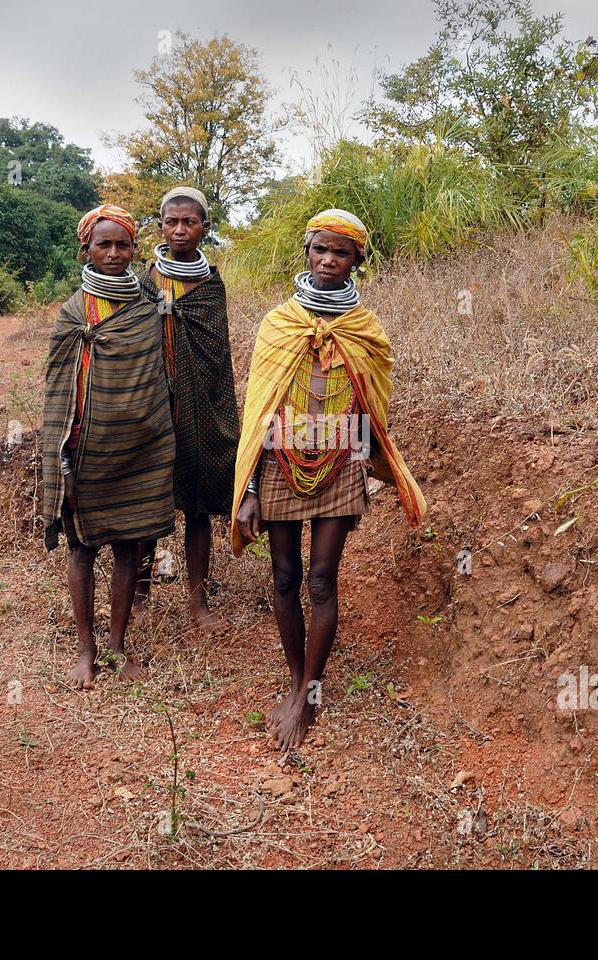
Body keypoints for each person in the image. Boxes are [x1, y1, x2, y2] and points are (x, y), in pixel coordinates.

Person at [231, 209, 426, 750]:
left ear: (357, 261)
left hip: (340, 463)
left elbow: (371, 405)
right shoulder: (279, 324)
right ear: (306, 253)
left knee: (321, 581)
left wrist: (365, 469)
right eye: (320, 250)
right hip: (277, 459)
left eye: (340, 253)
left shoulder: (365, 330)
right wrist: (247, 490)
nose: (328, 260)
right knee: (284, 579)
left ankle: (309, 698)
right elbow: (258, 409)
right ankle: (295, 684)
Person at [40, 204, 174, 687]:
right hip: (86, 451)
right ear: (87, 249)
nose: (114, 253)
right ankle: (85, 649)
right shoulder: (75, 315)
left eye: (123, 245)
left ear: (134, 248)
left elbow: (162, 375)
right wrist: (64, 462)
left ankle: (116, 647)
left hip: (140, 449)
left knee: (128, 548)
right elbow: (60, 394)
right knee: (81, 550)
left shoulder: (148, 305)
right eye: (104, 244)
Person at [134, 186, 240, 634]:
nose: (180, 229)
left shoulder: (210, 287)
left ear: (204, 229)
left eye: (189, 222)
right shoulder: (142, 283)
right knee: (145, 501)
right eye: (172, 221)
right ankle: (138, 595)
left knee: (198, 508)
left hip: (199, 409)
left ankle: (198, 601)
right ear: (160, 227)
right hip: (153, 407)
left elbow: (218, 358)